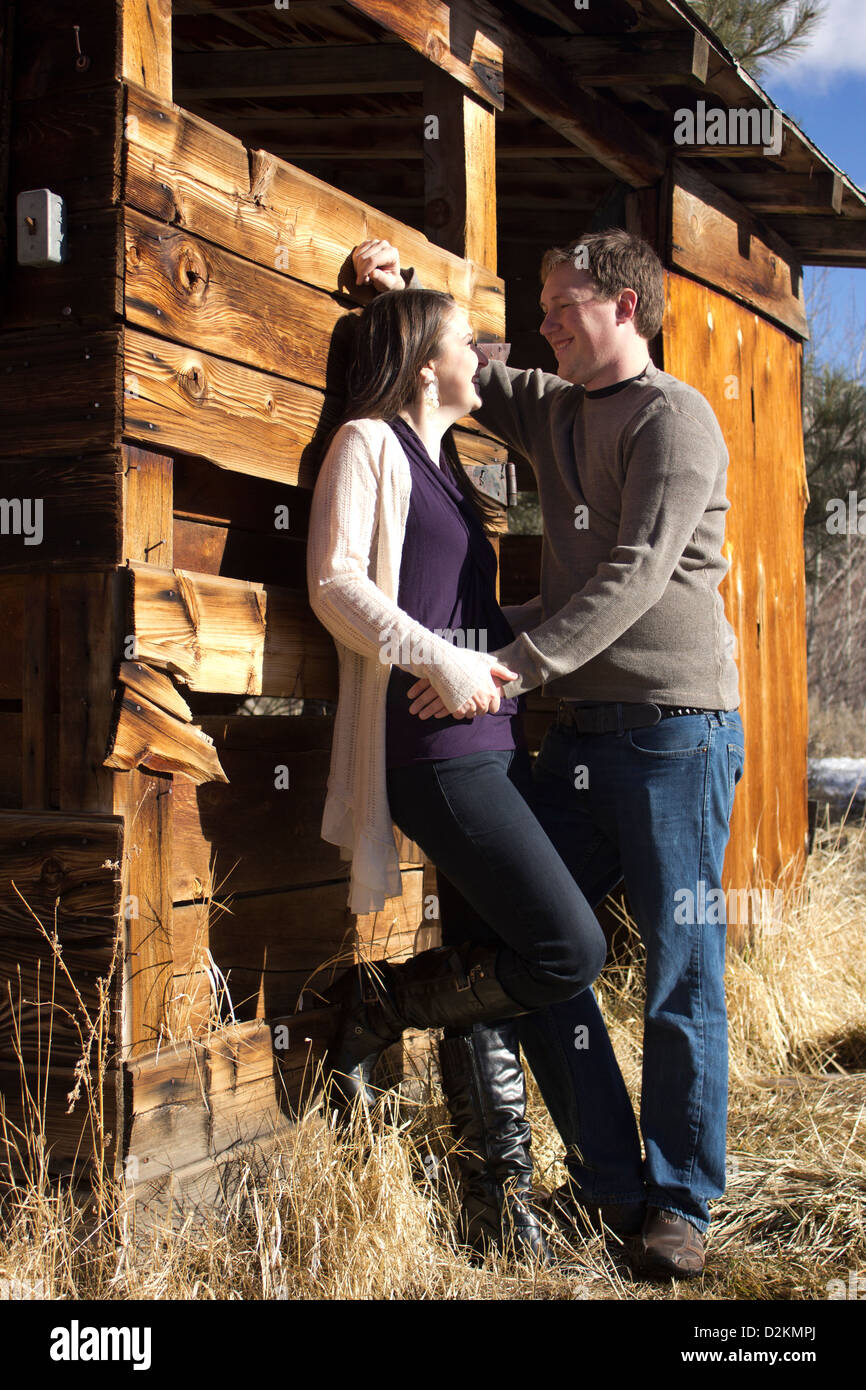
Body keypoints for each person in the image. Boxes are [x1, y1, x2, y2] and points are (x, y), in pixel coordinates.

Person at [343, 228, 745, 1280]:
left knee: (677, 973)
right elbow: (461, 356)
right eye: (540, 307)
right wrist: (398, 291)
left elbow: (633, 571)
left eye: (562, 305)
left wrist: (506, 666)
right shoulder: (554, 404)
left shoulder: (675, 419)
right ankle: (608, 1176)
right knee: (549, 946)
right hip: (571, 740)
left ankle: (679, 1202)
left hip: (673, 732)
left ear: (624, 306)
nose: (543, 323)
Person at [305, 286, 607, 1260]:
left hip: (491, 744)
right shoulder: (367, 444)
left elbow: (467, 618)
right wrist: (433, 658)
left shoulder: (449, 467)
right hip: (430, 752)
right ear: (424, 359)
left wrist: (517, 651)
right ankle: (377, 1001)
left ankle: (497, 1216)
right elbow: (334, 581)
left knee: (490, 966)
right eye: (464, 342)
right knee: (567, 948)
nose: (484, 353)